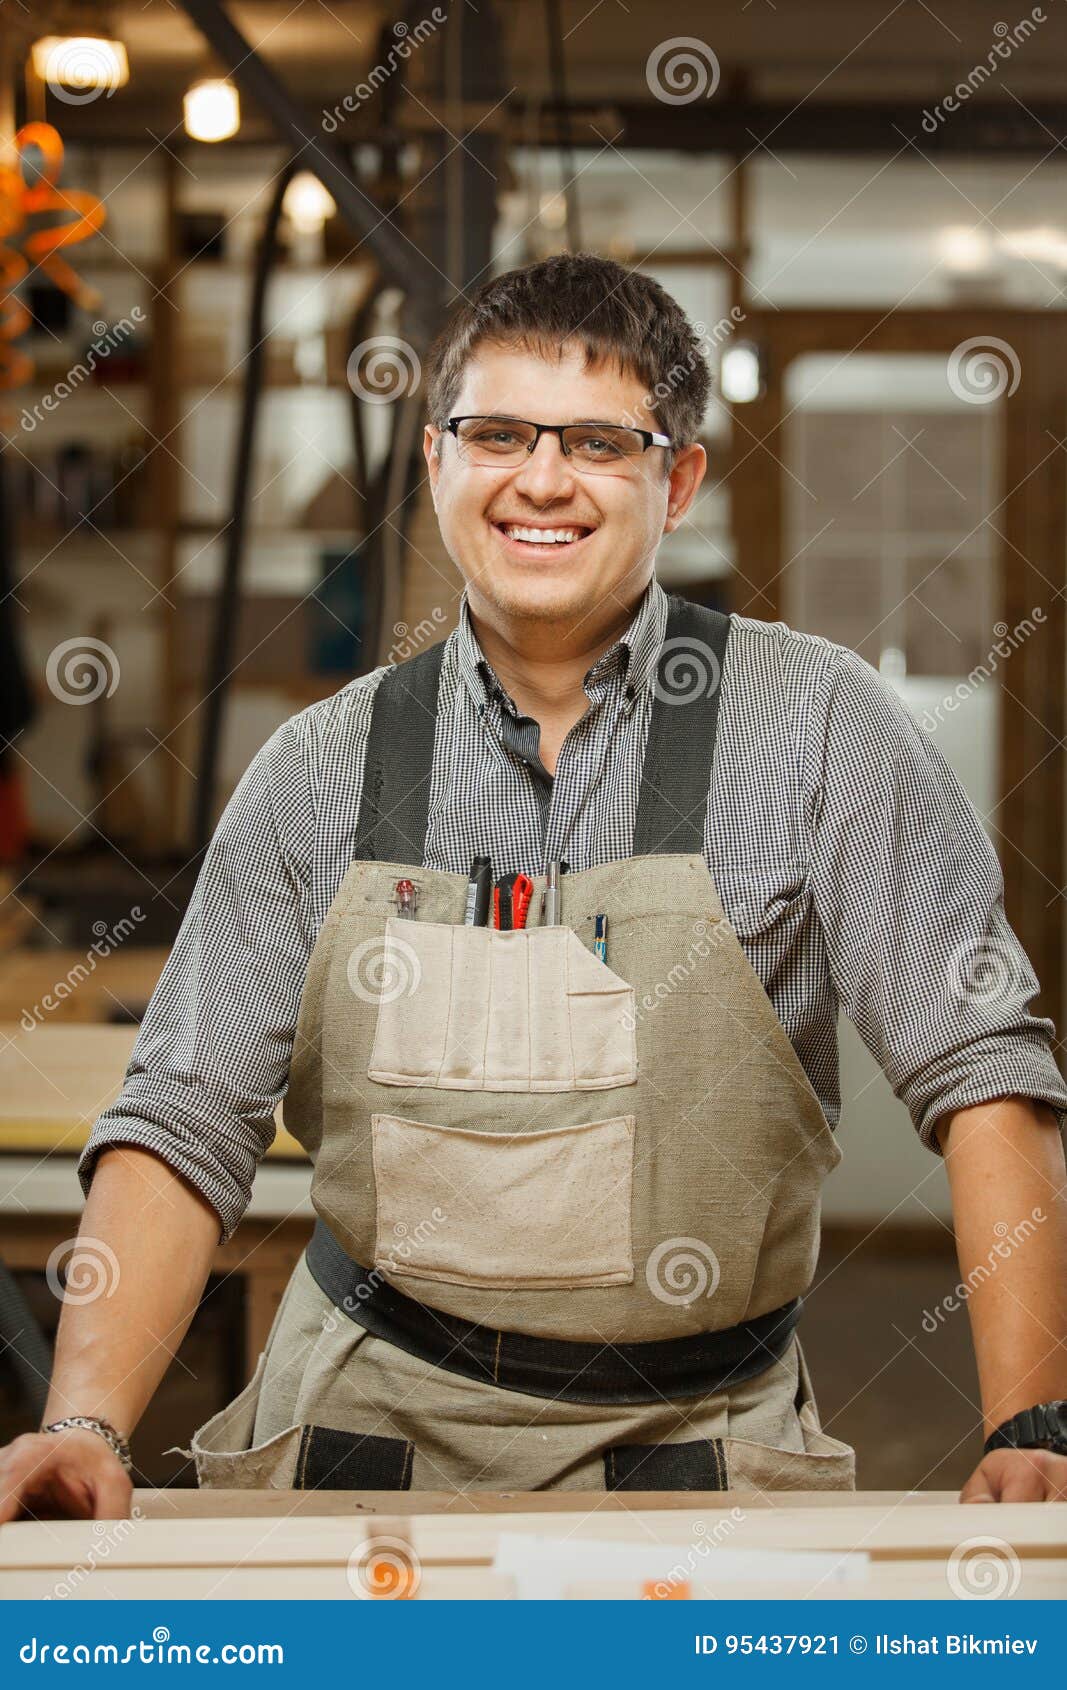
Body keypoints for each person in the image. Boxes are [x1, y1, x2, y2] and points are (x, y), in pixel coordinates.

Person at [3, 253, 1066, 1522]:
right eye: (496, 432)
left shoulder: (820, 729)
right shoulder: (319, 766)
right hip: (356, 1435)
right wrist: (82, 1423)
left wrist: (1033, 1422)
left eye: (598, 442)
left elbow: (984, 1073)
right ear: (439, 462)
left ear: (676, 481)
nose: (541, 479)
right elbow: (185, 1119)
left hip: (699, 1450)